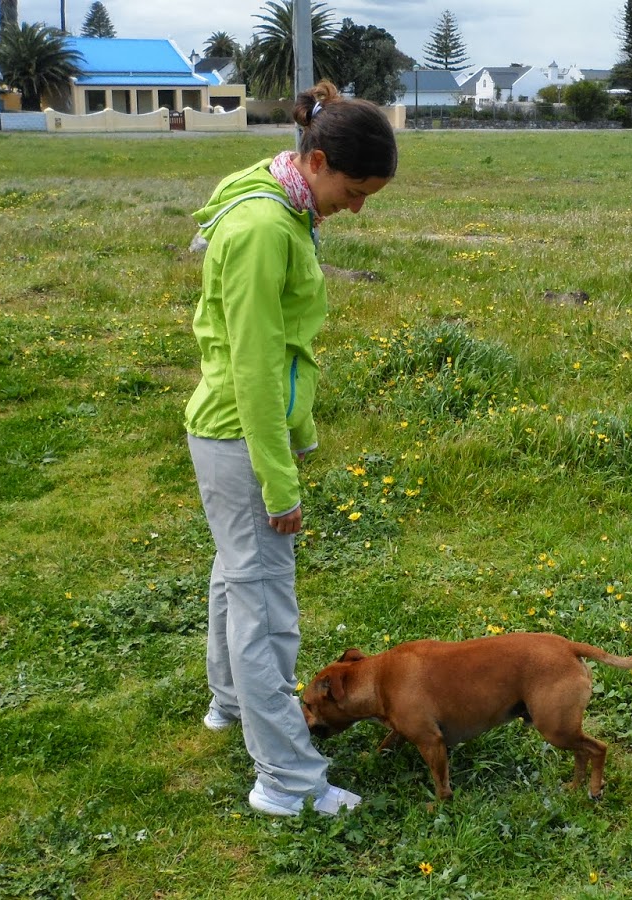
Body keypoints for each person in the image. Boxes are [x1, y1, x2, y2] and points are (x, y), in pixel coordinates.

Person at [184, 80, 397, 817]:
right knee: (266, 611)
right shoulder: (263, 229)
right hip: (241, 437)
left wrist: (295, 432)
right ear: (316, 160)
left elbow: (280, 350)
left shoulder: (283, 199)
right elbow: (253, 367)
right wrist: (280, 482)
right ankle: (286, 781)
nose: (357, 208)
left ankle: (229, 703)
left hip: (238, 432)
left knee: (235, 577)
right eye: (354, 191)